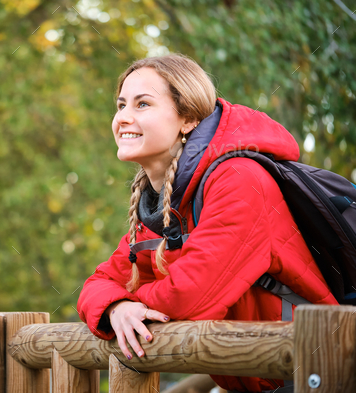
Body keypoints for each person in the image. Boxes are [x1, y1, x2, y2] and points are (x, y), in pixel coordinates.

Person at [76, 54, 338, 392]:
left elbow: (189, 298)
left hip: (315, 376)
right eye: (121, 104)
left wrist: (132, 303)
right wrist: (116, 306)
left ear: (187, 118)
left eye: (142, 104)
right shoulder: (164, 205)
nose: (123, 117)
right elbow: (98, 283)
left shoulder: (239, 180)